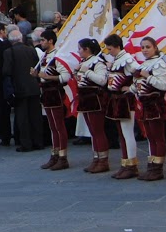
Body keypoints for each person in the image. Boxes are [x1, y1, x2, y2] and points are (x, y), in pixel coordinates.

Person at [101, 35, 140, 179]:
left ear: (117, 46)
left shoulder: (128, 59)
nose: (108, 51)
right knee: (121, 133)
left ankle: (131, 165)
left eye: (109, 48)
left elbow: (140, 74)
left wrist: (131, 88)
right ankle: (125, 163)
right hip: (116, 100)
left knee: (127, 133)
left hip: (125, 100)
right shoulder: (117, 60)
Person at [132, 35, 166, 181]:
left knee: (157, 137)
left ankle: (157, 168)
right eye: (142, 47)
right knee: (150, 137)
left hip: (155, 104)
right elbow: (138, 86)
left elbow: (163, 85)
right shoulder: (144, 64)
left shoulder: (159, 64)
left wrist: (148, 76)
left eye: (148, 47)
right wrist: (131, 88)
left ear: (155, 47)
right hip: (145, 105)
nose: (144, 50)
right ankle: (152, 165)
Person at [35, 29, 70, 169]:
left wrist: (47, 77)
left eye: (43, 40)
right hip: (47, 94)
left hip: (55, 93)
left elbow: (65, 77)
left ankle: (63, 157)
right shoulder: (44, 56)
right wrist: (36, 75)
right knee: (52, 126)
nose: (41, 42)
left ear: (50, 41)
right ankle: (55, 154)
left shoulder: (58, 56)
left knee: (59, 126)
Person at [74, 39, 111, 173]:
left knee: (98, 130)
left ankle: (103, 160)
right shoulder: (84, 62)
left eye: (80, 49)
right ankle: (96, 158)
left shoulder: (98, 62)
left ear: (87, 49)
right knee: (92, 131)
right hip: (85, 99)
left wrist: (87, 71)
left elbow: (102, 80)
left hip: (95, 99)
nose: (78, 51)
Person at [5, 31, 44, 153]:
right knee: (35, 115)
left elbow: (7, 71)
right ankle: (38, 141)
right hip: (33, 86)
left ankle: (26, 143)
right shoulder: (31, 50)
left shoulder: (8, 52)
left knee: (22, 117)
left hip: (19, 88)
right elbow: (37, 66)